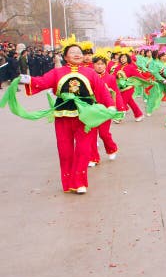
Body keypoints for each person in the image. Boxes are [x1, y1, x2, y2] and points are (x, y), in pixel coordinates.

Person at [7, 39, 119, 194]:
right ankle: (68, 183)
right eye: (73, 52)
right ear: (65, 57)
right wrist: (24, 78)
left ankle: (79, 182)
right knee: (65, 151)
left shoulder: (90, 73)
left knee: (83, 150)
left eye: (79, 52)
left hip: (85, 117)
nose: (77, 55)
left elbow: (103, 92)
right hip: (63, 117)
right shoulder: (58, 72)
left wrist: (111, 106)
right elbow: (42, 81)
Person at [88, 52, 123, 166]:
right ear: (93, 65)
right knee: (91, 136)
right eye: (97, 64)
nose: (99, 66)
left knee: (104, 134)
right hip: (92, 110)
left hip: (105, 110)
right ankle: (93, 158)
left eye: (102, 64)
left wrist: (119, 107)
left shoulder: (110, 78)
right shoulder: (88, 76)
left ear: (105, 65)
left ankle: (111, 148)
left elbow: (116, 93)